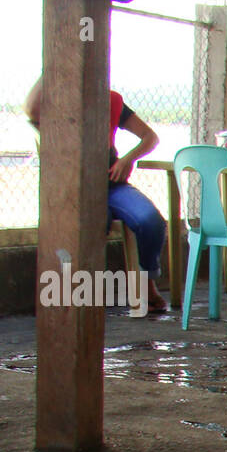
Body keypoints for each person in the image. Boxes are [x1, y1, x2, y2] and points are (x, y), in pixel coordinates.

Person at [24, 77, 169, 313]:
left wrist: (127, 159)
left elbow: (150, 137)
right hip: (77, 190)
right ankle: (81, 297)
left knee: (151, 221)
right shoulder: (58, 103)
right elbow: (31, 110)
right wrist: (49, 71)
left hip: (113, 185)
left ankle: (146, 283)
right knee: (91, 225)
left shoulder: (111, 100)